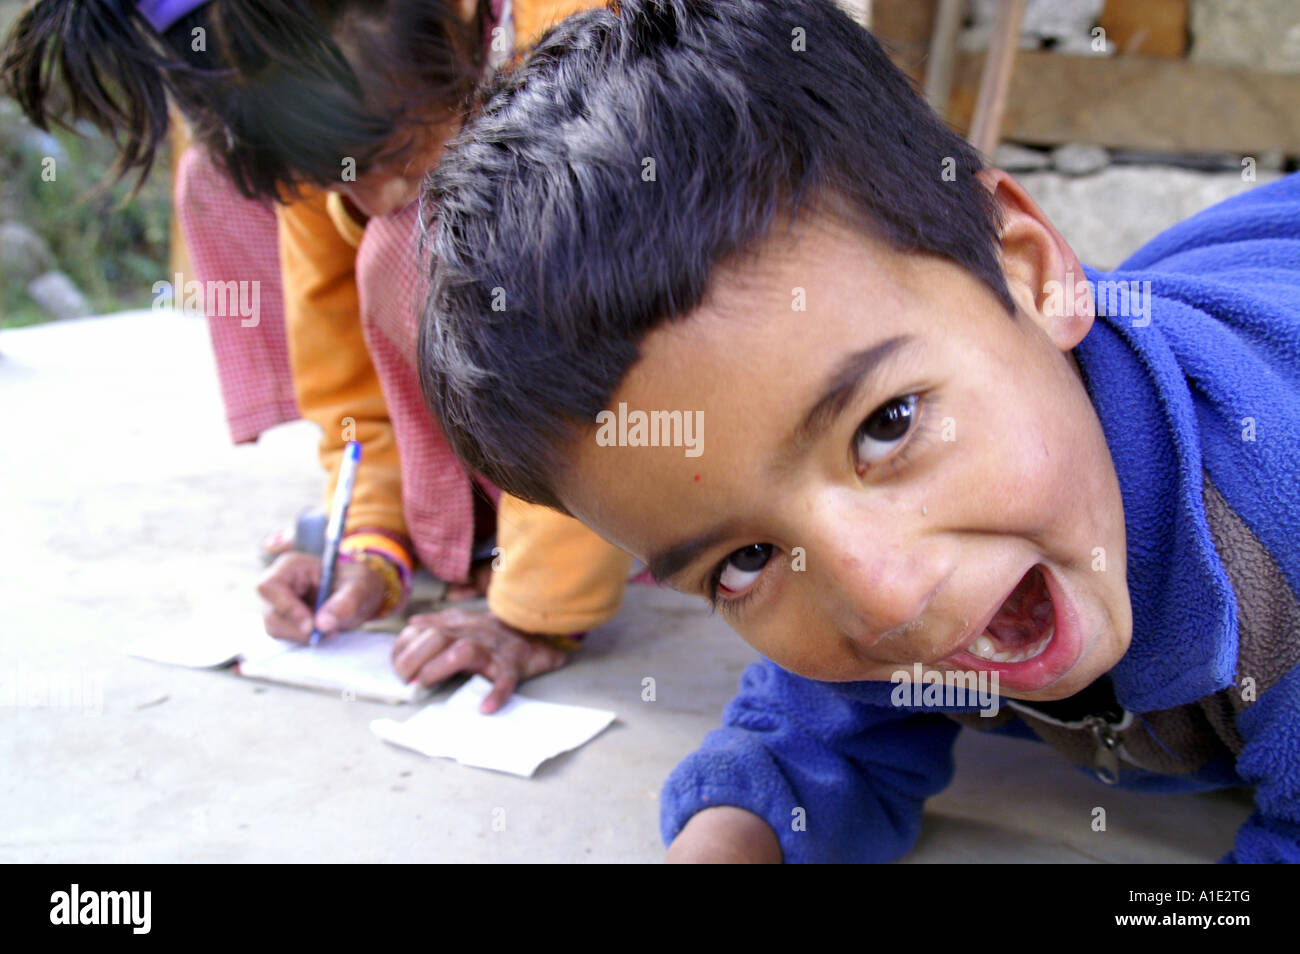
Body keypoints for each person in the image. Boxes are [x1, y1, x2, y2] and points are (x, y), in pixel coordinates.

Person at [418, 0, 1300, 861]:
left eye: (887, 425)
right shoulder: (862, 566)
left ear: (1030, 273)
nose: (882, 598)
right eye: (746, 561)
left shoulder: (1277, 531)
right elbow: (810, 742)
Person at [3, 0, 634, 712]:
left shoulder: (580, 42)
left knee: (408, 245)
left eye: (392, 155)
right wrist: (369, 538)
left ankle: (597, 525)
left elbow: (596, 363)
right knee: (224, 186)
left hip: (651, 404)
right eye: (342, 180)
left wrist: (536, 611)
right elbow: (350, 381)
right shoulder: (322, 112)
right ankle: (462, 515)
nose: (378, 195)